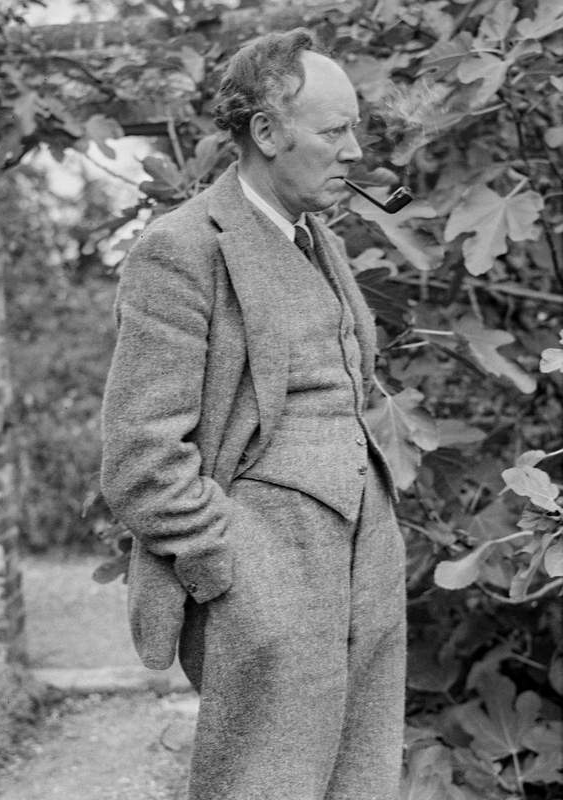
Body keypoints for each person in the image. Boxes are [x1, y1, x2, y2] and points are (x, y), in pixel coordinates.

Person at [101, 27, 407, 800]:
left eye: (356, 130)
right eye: (336, 131)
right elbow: (140, 458)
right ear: (266, 132)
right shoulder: (181, 250)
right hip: (268, 576)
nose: (355, 151)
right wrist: (234, 571)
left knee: (361, 779)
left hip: (364, 559)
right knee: (263, 785)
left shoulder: (318, 239)